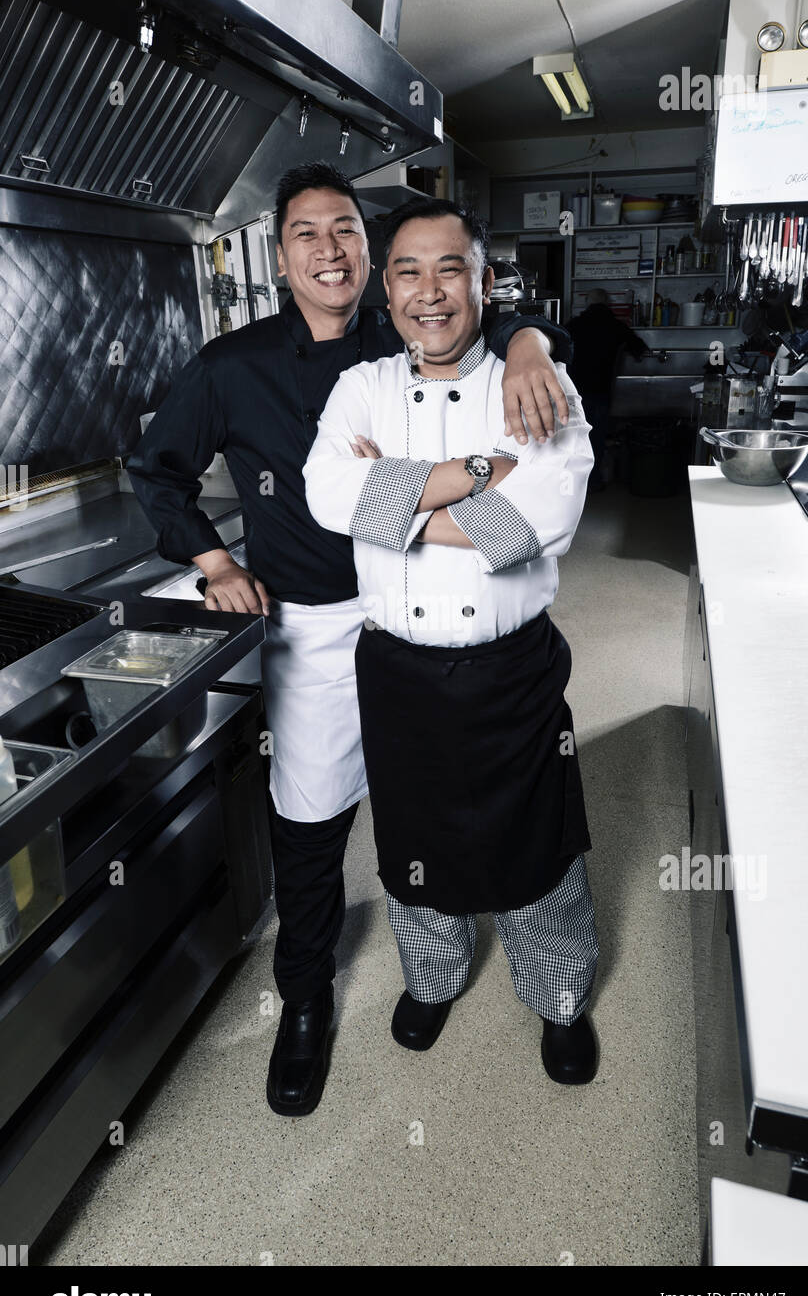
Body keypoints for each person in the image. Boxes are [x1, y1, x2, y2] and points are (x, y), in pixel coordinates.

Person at [127, 162, 577, 1116]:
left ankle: (540, 988)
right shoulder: (238, 366)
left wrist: (533, 341)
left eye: (346, 234)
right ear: (280, 257)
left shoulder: (419, 334)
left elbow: (530, 498)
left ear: (371, 259)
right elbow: (224, 482)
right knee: (317, 824)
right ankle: (306, 1000)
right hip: (324, 631)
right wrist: (215, 564)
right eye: (306, 236)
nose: (330, 252)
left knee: (486, 822)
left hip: (455, 638)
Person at [304, 197, 599, 1085]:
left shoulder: (535, 380)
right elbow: (326, 494)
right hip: (397, 673)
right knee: (410, 842)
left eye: (450, 270)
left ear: (484, 282)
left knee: (537, 846)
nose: (430, 293)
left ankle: (559, 998)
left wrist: (389, 507)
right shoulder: (362, 386)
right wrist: (476, 475)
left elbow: (536, 521)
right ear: (385, 288)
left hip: (512, 674)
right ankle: (432, 977)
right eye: (408, 271)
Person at [567, 289, 649, 489]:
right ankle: (593, 482)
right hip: (602, 390)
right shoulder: (616, 326)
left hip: (576, 391)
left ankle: (575, 483)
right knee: (597, 437)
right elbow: (640, 348)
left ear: (588, 303)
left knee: (576, 437)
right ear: (607, 304)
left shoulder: (574, 325)